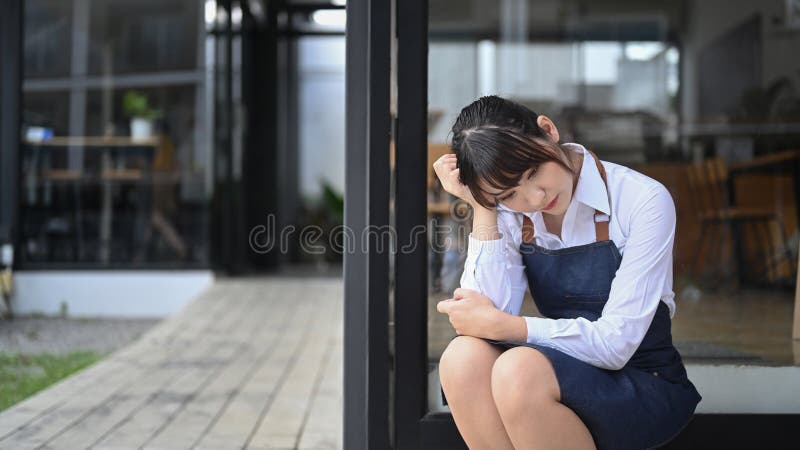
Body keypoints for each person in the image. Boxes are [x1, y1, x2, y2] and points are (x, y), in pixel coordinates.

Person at [433, 95, 701, 450]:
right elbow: (482, 315)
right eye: (510, 193)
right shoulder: (507, 210)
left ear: (548, 130)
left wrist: (511, 327)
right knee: (463, 359)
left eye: (533, 172)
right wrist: (483, 207)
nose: (535, 197)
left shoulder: (641, 200)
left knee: (519, 370)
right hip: (553, 372)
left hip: (640, 381)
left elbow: (616, 345)